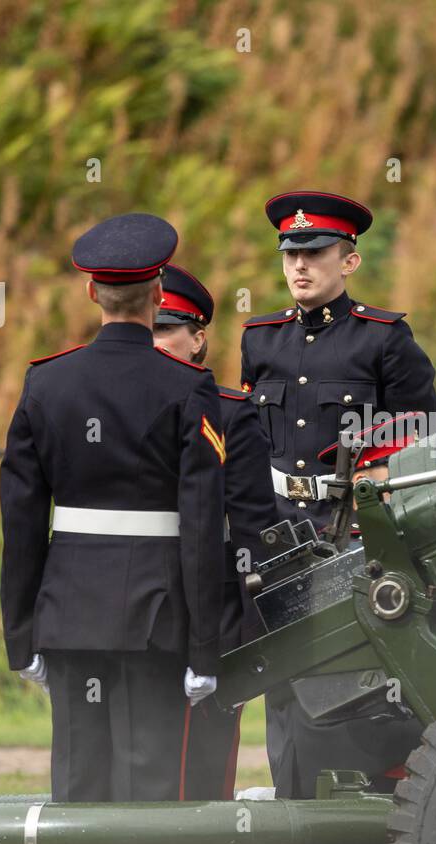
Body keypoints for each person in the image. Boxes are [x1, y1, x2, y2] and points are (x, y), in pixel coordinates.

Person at [0, 213, 226, 803]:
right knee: (150, 793)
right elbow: (200, 525)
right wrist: (206, 647)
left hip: (69, 612)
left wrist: (20, 635)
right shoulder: (186, 386)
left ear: (92, 292)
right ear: (157, 293)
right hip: (156, 616)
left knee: (78, 787)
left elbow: (20, 520)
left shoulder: (45, 383)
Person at [239, 190, 436, 798]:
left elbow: (422, 436)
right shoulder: (261, 338)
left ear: (348, 261)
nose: (300, 266)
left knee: (362, 680)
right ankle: (294, 810)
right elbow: (251, 439)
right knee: (285, 681)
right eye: (289, 255)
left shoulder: (384, 339)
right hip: (280, 532)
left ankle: (369, 813)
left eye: (316, 253)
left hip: (352, 534)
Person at [153, 264, 277, 799]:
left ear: (198, 338)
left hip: (206, 616)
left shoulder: (229, 413)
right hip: (127, 611)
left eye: (165, 327)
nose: (153, 339)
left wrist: (252, 630)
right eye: (146, 326)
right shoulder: (104, 404)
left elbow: (253, 529)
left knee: (199, 781)